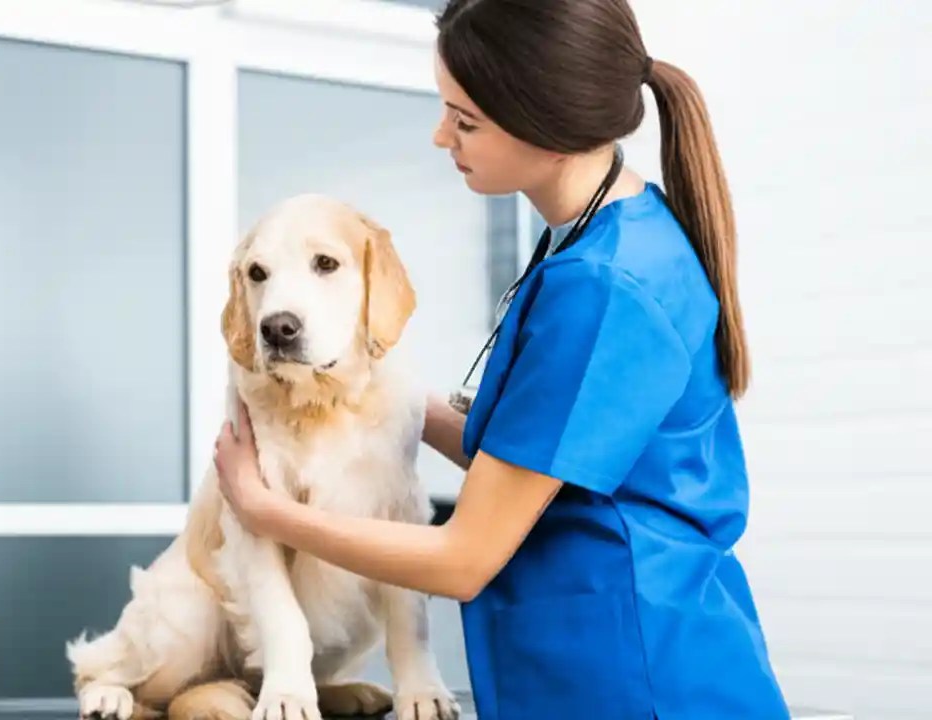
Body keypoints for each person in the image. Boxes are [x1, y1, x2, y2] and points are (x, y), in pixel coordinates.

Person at [211, 0, 793, 718]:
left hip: (637, 682)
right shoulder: (600, 239)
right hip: (613, 661)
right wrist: (380, 398)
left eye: (466, 120)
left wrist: (264, 509)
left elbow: (464, 558)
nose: (440, 136)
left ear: (545, 126)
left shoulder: (604, 287)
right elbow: (540, 462)